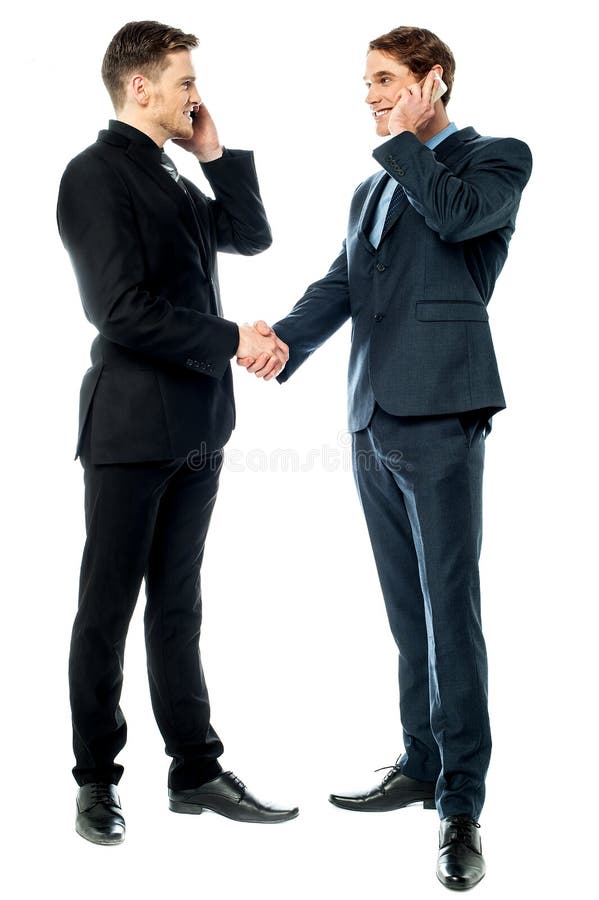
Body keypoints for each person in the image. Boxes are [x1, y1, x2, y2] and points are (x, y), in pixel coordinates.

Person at [239, 25, 532, 891]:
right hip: (371, 417)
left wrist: (407, 140)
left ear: (430, 81)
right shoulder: (372, 186)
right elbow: (345, 284)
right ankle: (417, 761)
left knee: (451, 613)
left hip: (442, 413)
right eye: (364, 82)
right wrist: (279, 344)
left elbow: (456, 220)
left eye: (382, 80)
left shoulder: (495, 159)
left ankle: (461, 805)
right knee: (407, 613)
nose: (367, 95)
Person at [56, 19, 295, 845]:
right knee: (106, 609)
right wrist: (234, 338)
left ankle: (193, 767)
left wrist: (215, 158)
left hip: (197, 429)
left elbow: (251, 235)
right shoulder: (93, 176)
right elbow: (117, 310)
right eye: (184, 81)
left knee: (179, 608)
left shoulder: (172, 175)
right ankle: (95, 781)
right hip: (128, 430)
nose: (196, 93)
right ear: (140, 88)